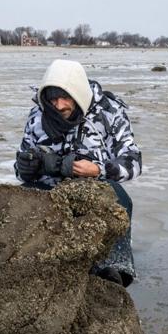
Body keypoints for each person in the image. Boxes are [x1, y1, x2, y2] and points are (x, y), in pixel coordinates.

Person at [14, 59, 142, 286]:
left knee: (120, 199)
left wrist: (98, 169)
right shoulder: (37, 116)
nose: (59, 105)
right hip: (48, 190)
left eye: (66, 97)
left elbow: (133, 161)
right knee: (17, 200)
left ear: (78, 94)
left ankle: (114, 268)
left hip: (95, 188)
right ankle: (27, 267)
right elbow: (23, 159)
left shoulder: (108, 112)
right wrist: (25, 168)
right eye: (52, 98)